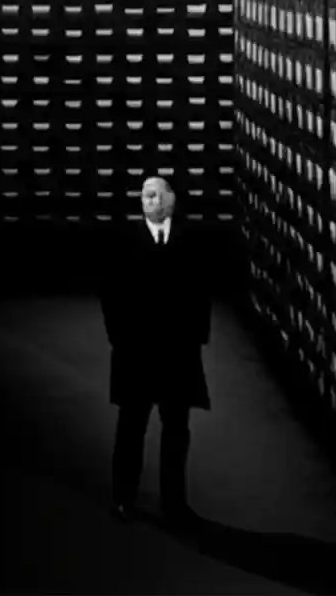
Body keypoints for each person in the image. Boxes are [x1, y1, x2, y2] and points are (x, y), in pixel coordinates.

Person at [100, 176, 212, 526]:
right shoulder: (123, 241)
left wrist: (196, 338)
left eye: (153, 195)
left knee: (176, 428)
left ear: (170, 200)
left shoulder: (190, 240)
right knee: (131, 426)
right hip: (137, 351)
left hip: (178, 352)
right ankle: (123, 497)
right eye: (143, 195)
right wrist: (119, 337)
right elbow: (111, 295)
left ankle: (174, 502)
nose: (146, 201)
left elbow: (200, 292)